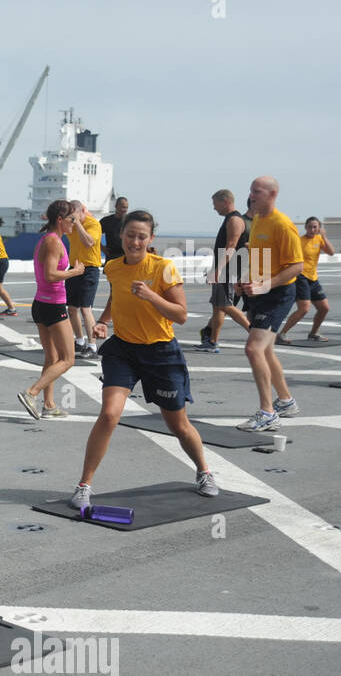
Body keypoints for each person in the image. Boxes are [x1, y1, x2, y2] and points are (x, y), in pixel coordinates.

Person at [67, 210, 218, 509]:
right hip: (123, 350)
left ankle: (204, 471)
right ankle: (84, 485)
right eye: (130, 235)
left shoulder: (163, 268)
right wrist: (103, 321)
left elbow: (181, 315)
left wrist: (152, 296)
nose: (135, 241)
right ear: (121, 236)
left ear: (150, 239)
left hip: (161, 353)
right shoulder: (112, 267)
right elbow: (116, 296)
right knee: (110, 414)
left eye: (141, 236)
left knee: (178, 424)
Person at [235, 176, 302, 432]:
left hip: (279, 293)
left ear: (272, 194)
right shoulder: (260, 220)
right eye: (251, 190)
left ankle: (267, 413)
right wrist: (244, 280)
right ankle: (285, 401)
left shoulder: (282, 224)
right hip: (262, 292)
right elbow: (258, 255)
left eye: (257, 191)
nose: (252, 195)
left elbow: (297, 266)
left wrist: (265, 285)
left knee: (253, 349)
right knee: (266, 351)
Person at [18, 200, 86, 419]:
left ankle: (49, 405)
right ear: (60, 219)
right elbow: (50, 274)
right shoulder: (53, 242)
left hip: (42, 304)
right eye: (71, 220)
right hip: (53, 306)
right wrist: (75, 272)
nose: (74, 224)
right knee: (68, 359)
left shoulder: (47, 240)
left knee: (51, 357)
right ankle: (31, 392)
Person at [197, 189, 250, 351]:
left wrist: (218, 270)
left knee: (225, 305)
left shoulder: (234, 220)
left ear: (225, 201)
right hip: (225, 268)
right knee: (218, 305)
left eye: (215, 204)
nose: (214, 208)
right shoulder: (230, 218)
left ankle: (255, 332)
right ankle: (212, 341)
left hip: (229, 269)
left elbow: (231, 247)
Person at [278, 217, 335, 344]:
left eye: (315, 227)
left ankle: (313, 333)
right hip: (300, 277)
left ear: (319, 228)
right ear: (305, 227)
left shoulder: (319, 239)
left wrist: (324, 237)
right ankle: (282, 334)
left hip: (313, 278)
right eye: (309, 226)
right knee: (304, 309)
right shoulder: (299, 241)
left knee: (324, 308)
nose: (312, 229)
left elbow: (331, 252)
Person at [66, 200, 103, 359]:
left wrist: (78, 224)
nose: (72, 218)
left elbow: (89, 242)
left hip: (90, 269)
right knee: (72, 308)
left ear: (82, 211)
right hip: (74, 269)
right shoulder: (71, 225)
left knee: (85, 308)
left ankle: (92, 346)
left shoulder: (93, 224)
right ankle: (80, 341)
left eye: (74, 213)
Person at [100, 197, 128, 263]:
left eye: (126, 207)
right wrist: (101, 247)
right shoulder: (106, 221)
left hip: (126, 256)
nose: (125, 210)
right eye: (123, 207)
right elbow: (94, 235)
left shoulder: (130, 221)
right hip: (111, 256)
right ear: (116, 206)